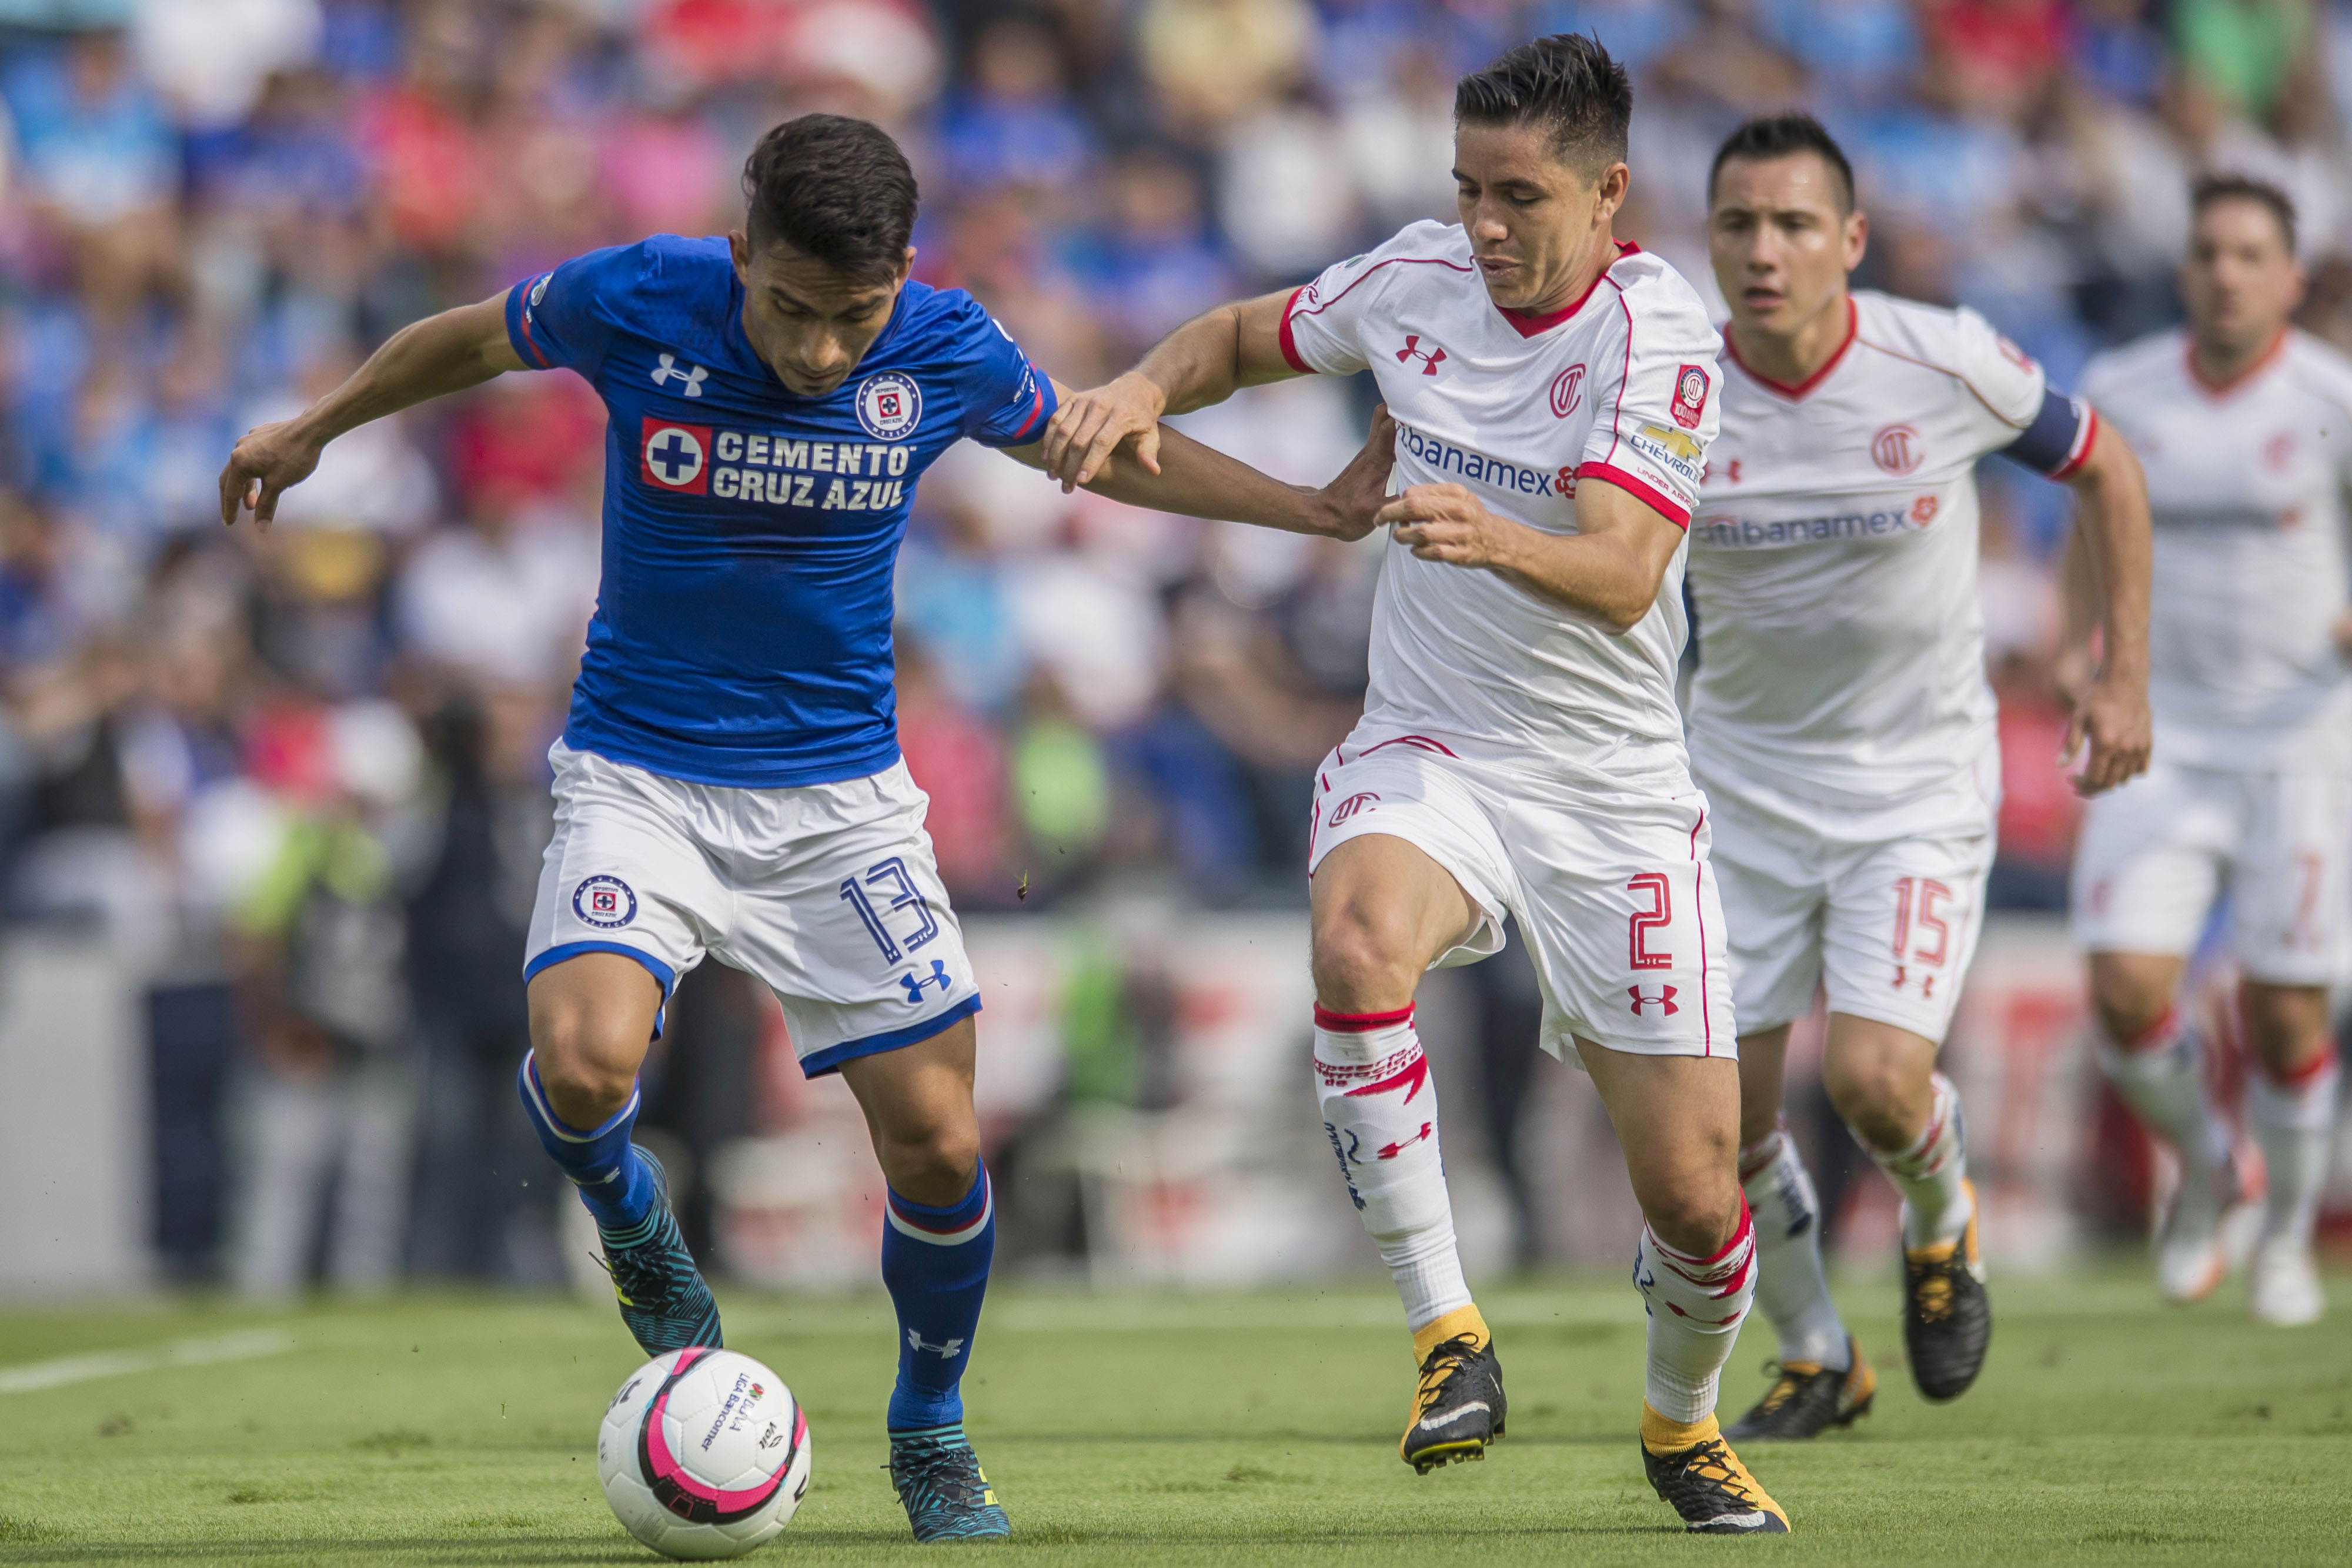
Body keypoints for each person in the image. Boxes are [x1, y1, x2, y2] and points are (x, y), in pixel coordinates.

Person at [218, 112, 1392, 1543]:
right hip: (639, 774)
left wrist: (1316, 515)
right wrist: (312, 429)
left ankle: (929, 1423)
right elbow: (466, 339)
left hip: (841, 808)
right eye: (788, 309)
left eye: (855, 317)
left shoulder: (947, 346)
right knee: (583, 1069)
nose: (823, 351)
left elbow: (1107, 452)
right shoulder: (637, 294)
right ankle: (634, 1220)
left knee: (943, 1149)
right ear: (737, 256)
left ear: (900, 279)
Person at [1047, 36, 1788, 1534]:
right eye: (1465, 188)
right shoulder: (1415, 277)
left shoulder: (1658, 335)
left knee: (1698, 1206)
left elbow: (1625, 564)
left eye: (1517, 194)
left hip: (1612, 789)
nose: (1485, 225)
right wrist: (1137, 382)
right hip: (1431, 738)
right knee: (1352, 942)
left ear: (1608, 193)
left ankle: (1679, 1422)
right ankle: (1448, 1334)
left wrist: (1485, 532)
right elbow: (1240, 338)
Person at [1685, 113, 2154, 1440]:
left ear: (1850, 240)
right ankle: (1818, 1351)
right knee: (1712, 1121)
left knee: (1877, 1084)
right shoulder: (1668, 386)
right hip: (1734, 786)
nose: (1761, 251)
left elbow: (2105, 466)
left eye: (1789, 224)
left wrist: (2115, 672)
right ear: (1707, 238)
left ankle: (1942, 1222)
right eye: (1735, 224)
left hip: (1911, 788)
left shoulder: (1936, 356)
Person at [2070, 175, 2352, 1328]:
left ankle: (2282, 1239)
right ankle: (2206, 1159)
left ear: (2287, 279)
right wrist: (2077, 645)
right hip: (2160, 734)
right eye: (2206, 252)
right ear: (2182, 270)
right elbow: (2087, 521)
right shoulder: (2120, 391)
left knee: (2288, 1014)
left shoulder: (2330, 395)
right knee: (2123, 986)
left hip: (2298, 743)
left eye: (2248, 254)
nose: (2224, 272)